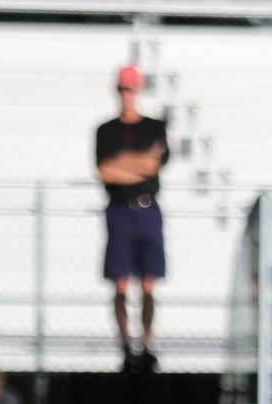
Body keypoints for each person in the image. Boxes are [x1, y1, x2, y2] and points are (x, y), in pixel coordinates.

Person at [96, 64, 169, 372]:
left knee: (149, 283)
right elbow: (105, 170)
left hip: (147, 208)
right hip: (120, 210)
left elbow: (154, 165)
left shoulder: (153, 127)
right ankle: (126, 344)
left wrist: (124, 164)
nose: (127, 94)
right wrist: (138, 163)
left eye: (131, 88)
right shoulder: (106, 130)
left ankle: (147, 342)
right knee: (121, 283)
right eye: (123, 88)